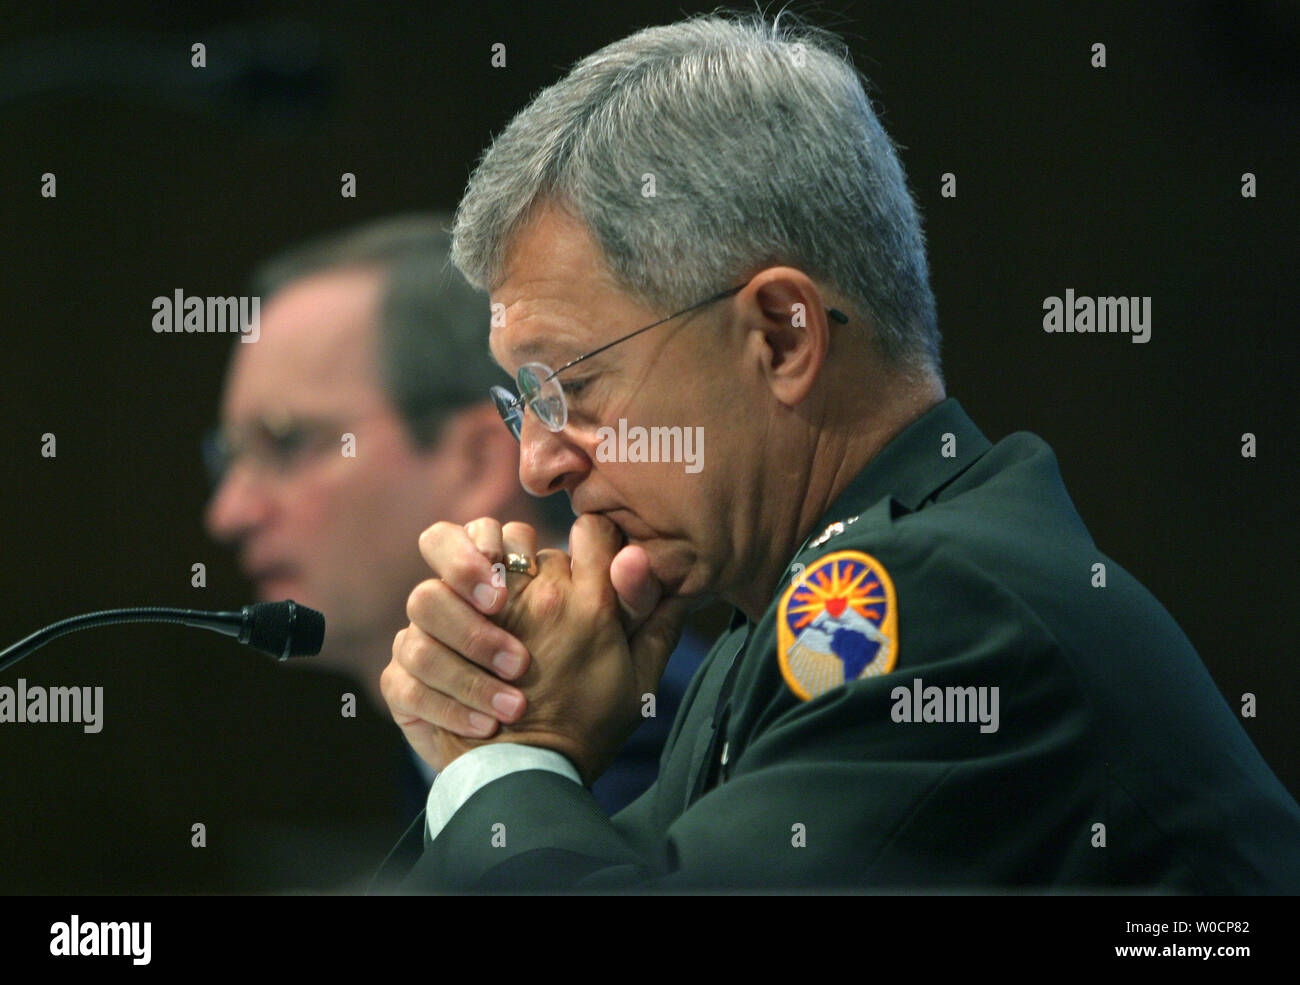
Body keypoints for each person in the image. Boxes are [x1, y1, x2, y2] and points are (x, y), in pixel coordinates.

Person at [382, 13, 1300, 891]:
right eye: (524, 403)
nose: (537, 466)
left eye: (570, 389)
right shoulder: (779, 620)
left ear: (782, 336)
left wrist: (507, 753)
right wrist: (489, 751)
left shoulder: (934, 606)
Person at [204, 214, 705, 833]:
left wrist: (522, 756)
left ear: (475, 458)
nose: (228, 513)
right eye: (228, 458)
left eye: (286, 444)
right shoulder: (452, 706)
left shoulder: (638, 716)